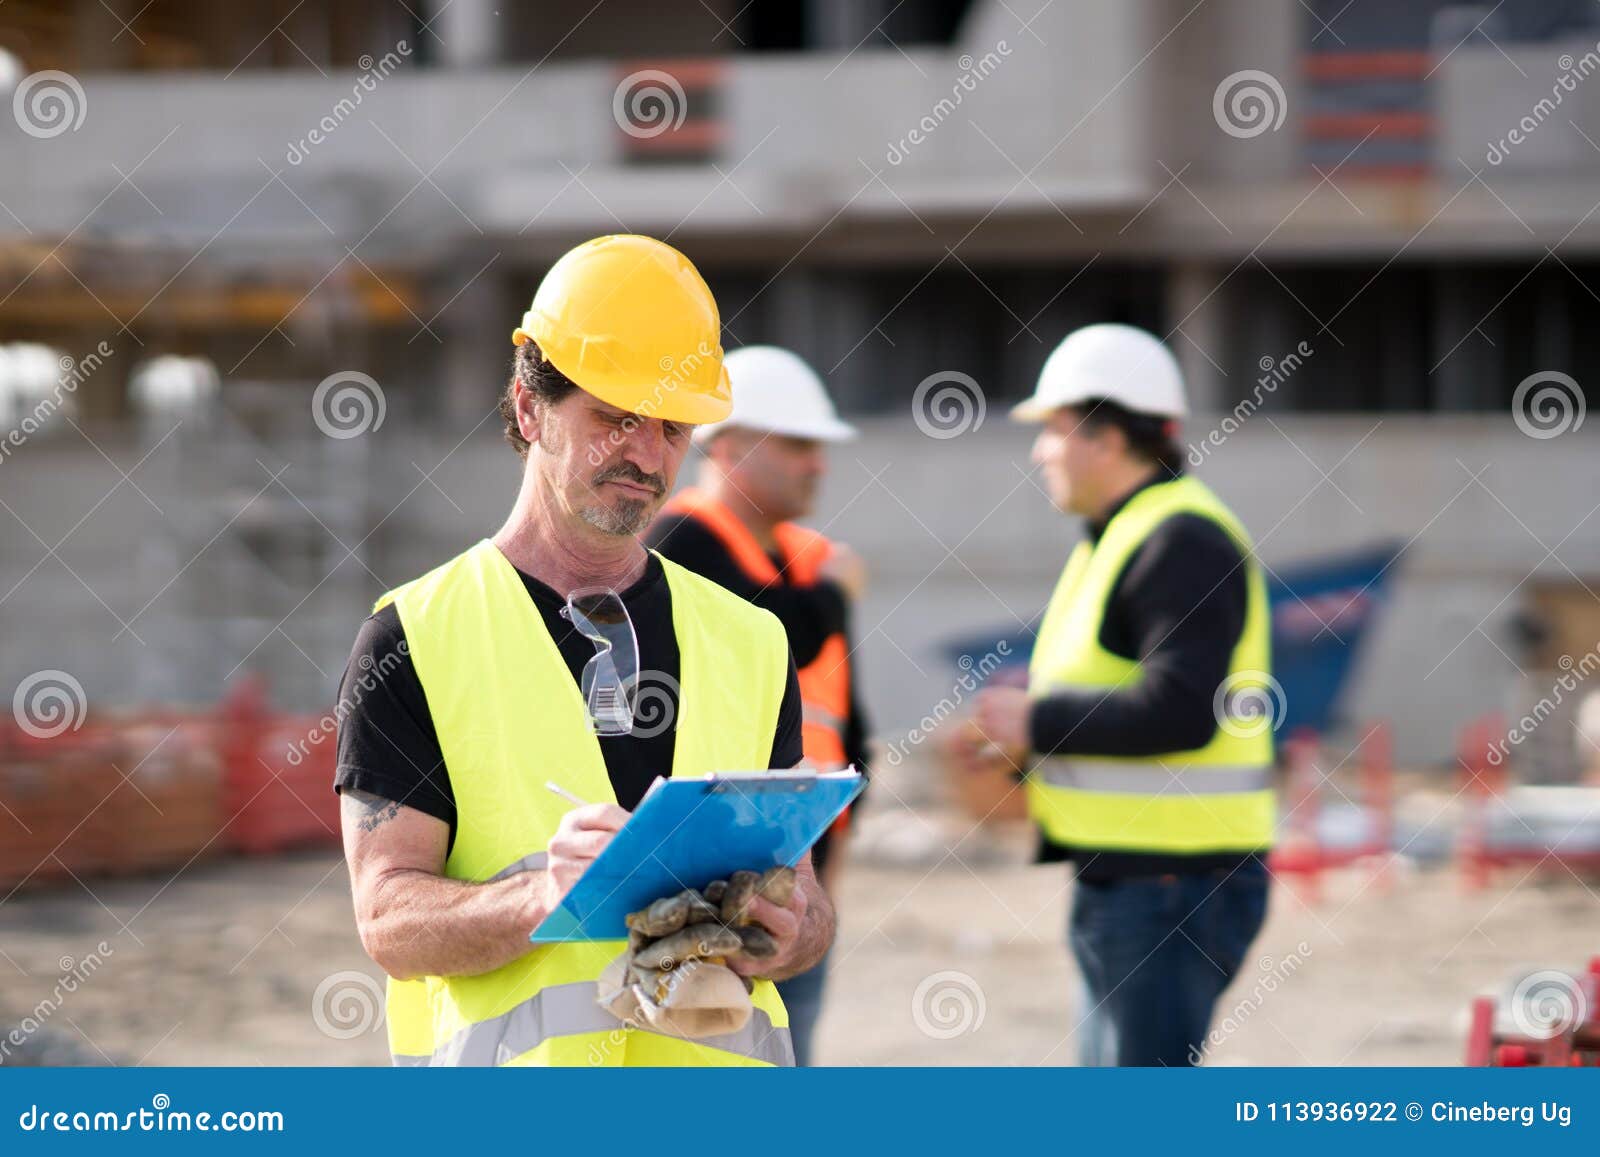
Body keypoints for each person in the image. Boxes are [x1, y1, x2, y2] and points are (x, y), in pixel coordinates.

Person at [333, 235, 834, 1067]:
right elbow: (387, 918)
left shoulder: (751, 640)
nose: (647, 453)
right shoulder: (414, 638)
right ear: (530, 408)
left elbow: (807, 901)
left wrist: (792, 933)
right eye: (614, 416)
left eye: (673, 427)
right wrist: (548, 893)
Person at [966, 323, 1275, 1067]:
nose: (1041, 450)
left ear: (1107, 436)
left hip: (1171, 882)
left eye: (1054, 429)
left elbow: (1180, 709)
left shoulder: (1178, 541)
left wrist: (1034, 718)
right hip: (1139, 878)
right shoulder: (1120, 534)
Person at [645, 345, 869, 1065]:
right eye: (799, 443)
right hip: (715, 872)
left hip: (798, 868)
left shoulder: (804, 556)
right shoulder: (681, 542)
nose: (818, 463)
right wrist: (833, 596)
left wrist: (831, 854)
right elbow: (784, 638)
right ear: (728, 443)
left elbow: (840, 714)